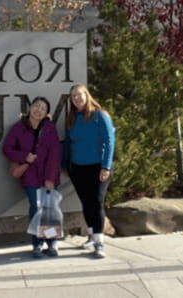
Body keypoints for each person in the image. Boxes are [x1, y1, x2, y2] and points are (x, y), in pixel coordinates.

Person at [2, 96, 62, 258]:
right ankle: (37, 243)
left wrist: (50, 178)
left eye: (43, 108)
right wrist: (24, 157)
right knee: (36, 209)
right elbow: (7, 148)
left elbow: (55, 154)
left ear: (46, 113)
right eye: (36, 106)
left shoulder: (50, 128)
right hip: (30, 176)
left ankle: (52, 242)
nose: (39, 110)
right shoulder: (19, 127)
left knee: (50, 210)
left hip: (48, 175)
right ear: (30, 108)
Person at [65, 84, 115, 259]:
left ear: (87, 95)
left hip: (98, 167)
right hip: (78, 168)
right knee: (86, 203)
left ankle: (99, 242)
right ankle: (91, 236)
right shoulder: (72, 118)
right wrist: (67, 166)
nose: (76, 98)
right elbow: (69, 143)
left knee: (97, 203)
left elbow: (110, 142)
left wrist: (106, 166)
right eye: (73, 96)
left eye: (79, 94)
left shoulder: (99, 115)